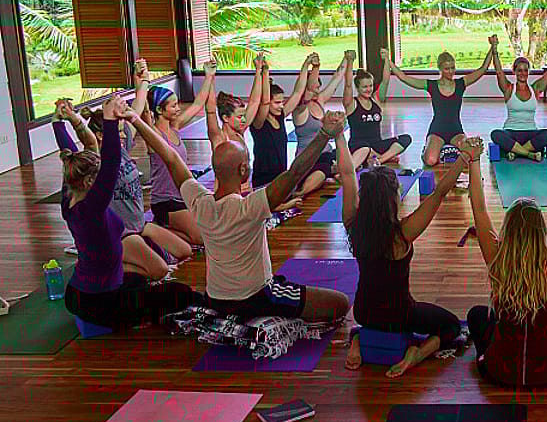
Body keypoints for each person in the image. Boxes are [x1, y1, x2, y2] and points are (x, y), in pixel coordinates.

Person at [129, 107, 352, 325]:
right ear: (244, 170)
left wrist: (135, 119)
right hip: (257, 296)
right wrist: (325, 134)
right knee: (340, 303)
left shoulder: (199, 202)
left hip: (216, 298)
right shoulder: (249, 207)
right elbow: (295, 173)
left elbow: (171, 159)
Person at [340, 128, 479, 376]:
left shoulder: (353, 225)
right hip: (400, 315)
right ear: (393, 198)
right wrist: (464, 158)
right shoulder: (402, 234)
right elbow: (439, 193)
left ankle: (358, 340)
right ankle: (416, 354)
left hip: (363, 312)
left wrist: (339, 136)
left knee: (368, 320)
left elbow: (348, 174)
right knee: (451, 327)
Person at [464, 138, 547, 387]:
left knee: (477, 316)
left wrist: (474, 161)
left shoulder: (496, 257)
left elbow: (479, 210)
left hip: (499, 374)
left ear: (507, 229)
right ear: (541, 231)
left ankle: (493, 353)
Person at [61, 97, 197, 329]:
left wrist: (59, 123)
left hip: (78, 293)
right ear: (91, 180)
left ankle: (135, 312)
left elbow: (71, 153)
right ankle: (131, 319)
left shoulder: (68, 201)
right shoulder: (93, 208)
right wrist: (110, 121)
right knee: (181, 294)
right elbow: (111, 162)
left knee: (140, 282)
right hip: (101, 301)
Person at [382, 45, 493, 166]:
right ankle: (433, 149)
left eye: (452, 68)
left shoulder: (461, 83)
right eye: (446, 69)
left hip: (456, 130)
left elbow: (482, 70)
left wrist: (493, 47)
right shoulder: (431, 85)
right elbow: (404, 77)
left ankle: (449, 150)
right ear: (440, 69)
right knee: (430, 161)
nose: (450, 71)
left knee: (469, 156)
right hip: (437, 130)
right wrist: (388, 60)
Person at [145, 60, 217, 245]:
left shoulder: (174, 128)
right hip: (165, 201)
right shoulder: (154, 135)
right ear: (159, 110)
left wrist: (208, 75)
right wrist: (142, 81)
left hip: (183, 196)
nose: (178, 109)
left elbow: (198, 104)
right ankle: (158, 231)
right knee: (202, 238)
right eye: (173, 106)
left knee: (208, 231)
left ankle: (164, 231)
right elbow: (143, 115)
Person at [291, 51, 349, 200]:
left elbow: (336, 78)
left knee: (345, 152)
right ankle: (300, 193)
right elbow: (303, 90)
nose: (316, 91)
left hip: (326, 153)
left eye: (318, 88)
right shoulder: (300, 110)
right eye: (313, 88)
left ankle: (334, 171)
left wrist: (346, 59)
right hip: (308, 158)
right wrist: (312, 66)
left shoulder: (319, 100)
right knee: (323, 169)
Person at [489, 35, 547, 161]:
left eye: (525, 70)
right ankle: (528, 154)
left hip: (530, 132)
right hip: (510, 132)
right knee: (496, 134)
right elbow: (499, 72)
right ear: (514, 71)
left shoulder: (535, 88)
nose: (523, 73)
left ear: (528, 72)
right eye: (519, 70)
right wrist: (494, 49)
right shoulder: (509, 89)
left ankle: (515, 152)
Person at [248, 54, 308, 191]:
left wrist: (305, 66)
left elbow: (298, 93)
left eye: (282, 102)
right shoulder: (259, 123)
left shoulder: (280, 116)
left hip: (280, 177)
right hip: (263, 181)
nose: (281, 106)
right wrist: (263, 72)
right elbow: (264, 102)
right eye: (277, 102)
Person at [346, 51, 412, 167]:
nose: (368, 89)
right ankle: (379, 157)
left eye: (370, 86)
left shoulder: (376, 99)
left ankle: (379, 160)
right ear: (357, 87)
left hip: (377, 144)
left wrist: (387, 59)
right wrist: (350, 61)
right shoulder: (351, 104)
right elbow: (347, 85)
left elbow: (385, 81)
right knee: (365, 149)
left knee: (406, 139)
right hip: (358, 146)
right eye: (364, 87)